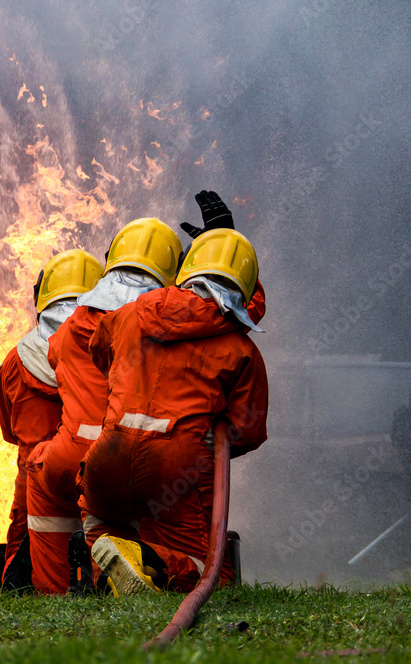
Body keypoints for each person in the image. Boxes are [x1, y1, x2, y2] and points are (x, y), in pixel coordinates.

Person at [78, 191, 268, 595]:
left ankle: (110, 580)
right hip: (173, 466)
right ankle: (148, 564)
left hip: (106, 451)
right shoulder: (241, 348)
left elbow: (99, 349)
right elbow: (246, 431)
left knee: (103, 521)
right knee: (209, 572)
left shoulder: (133, 310)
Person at [26, 218, 182, 594]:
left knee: (58, 493)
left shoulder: (70, 329)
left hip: (78, 452)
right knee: (184, 542)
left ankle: (54, 593)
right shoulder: (166, 318)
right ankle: (152, 572)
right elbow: (221, 312)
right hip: (151, 448)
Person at [0, 248, 103, 587]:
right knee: (107, 538)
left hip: (35, 479)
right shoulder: (109, 345)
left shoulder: (17, 359)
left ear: (42, 299)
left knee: (36, 565)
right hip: (101, 466)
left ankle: (36, 592)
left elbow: (10, 429)